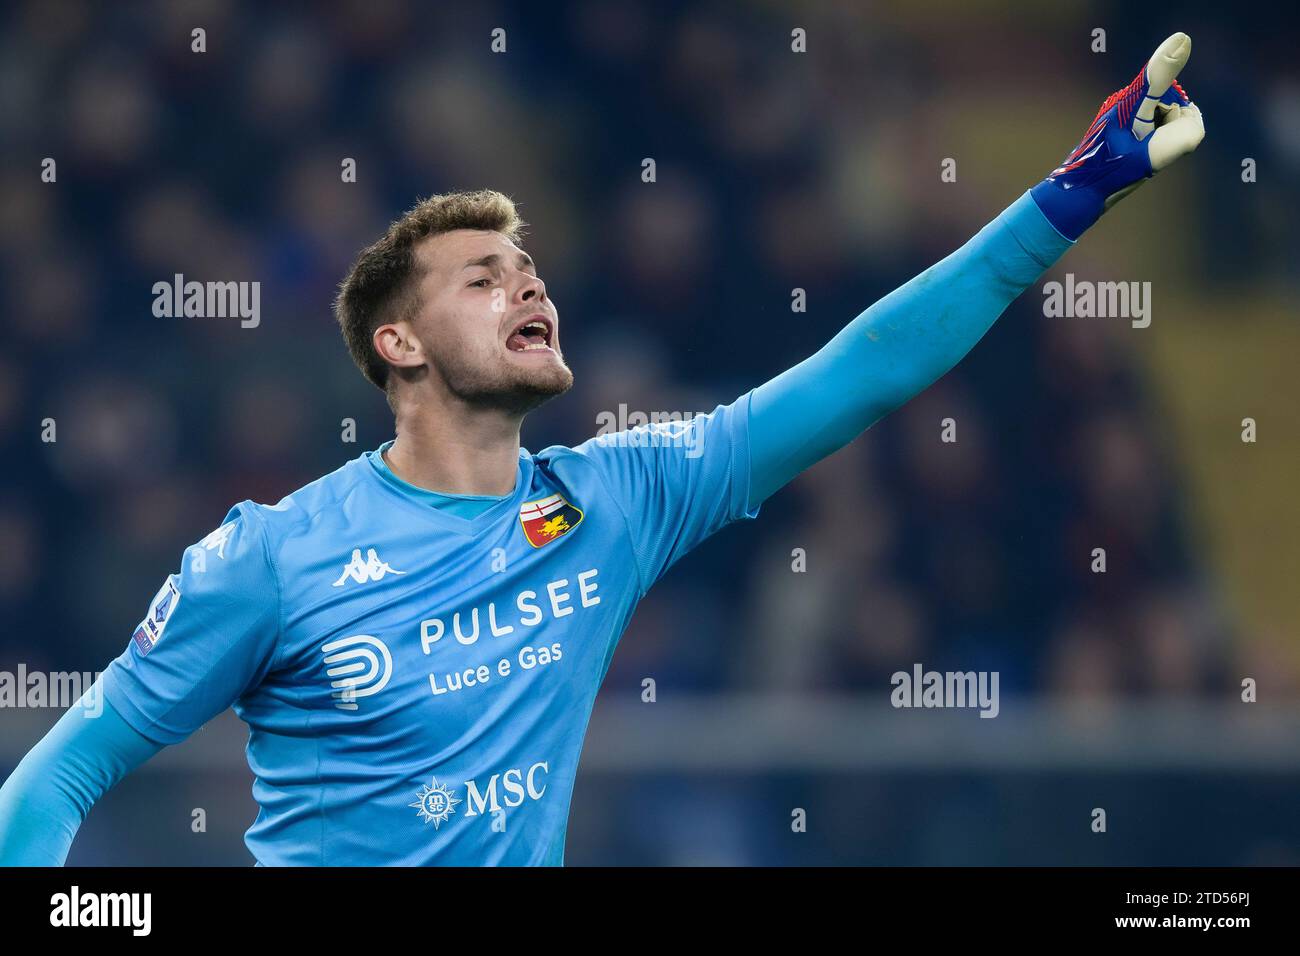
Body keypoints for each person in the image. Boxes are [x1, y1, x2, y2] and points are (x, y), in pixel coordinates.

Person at [0, 34, 1204, 866]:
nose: (528, 285)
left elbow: (864, 367)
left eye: (529, 269)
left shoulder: (615, 500)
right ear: (399, 342)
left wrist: (1071, 193)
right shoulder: (270, 558)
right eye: (484, 276)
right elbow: (52, 782)